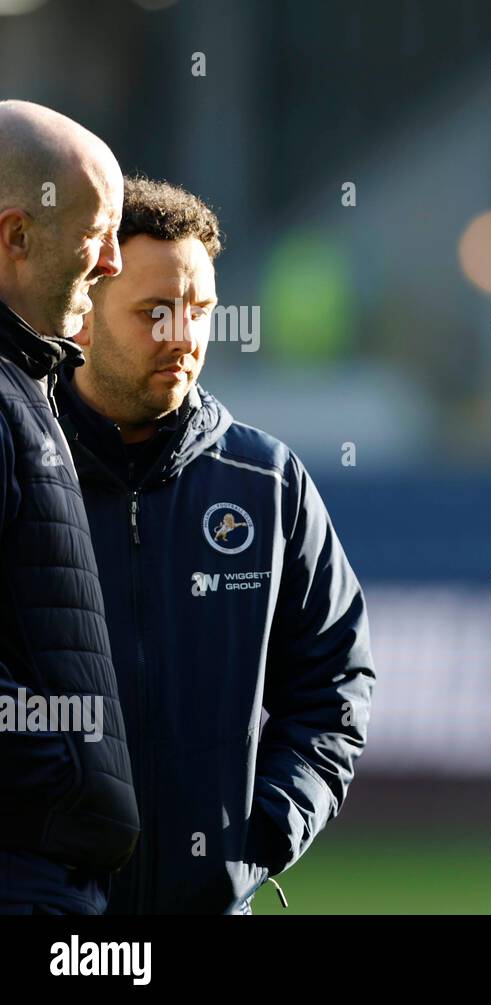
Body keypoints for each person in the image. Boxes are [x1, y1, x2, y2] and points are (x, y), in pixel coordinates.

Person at [55, 175, 375, 914]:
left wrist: (263, 832)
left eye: (199, 311)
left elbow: (335, 685)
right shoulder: (21, 466)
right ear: (83, 317)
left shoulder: (266, 481)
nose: (184, 337)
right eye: (154, 312)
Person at [0, 100, 139, 915]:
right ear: (16, 236)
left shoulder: (26, 387)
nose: (117, 263)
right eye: (99, 232)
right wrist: (62, 761)